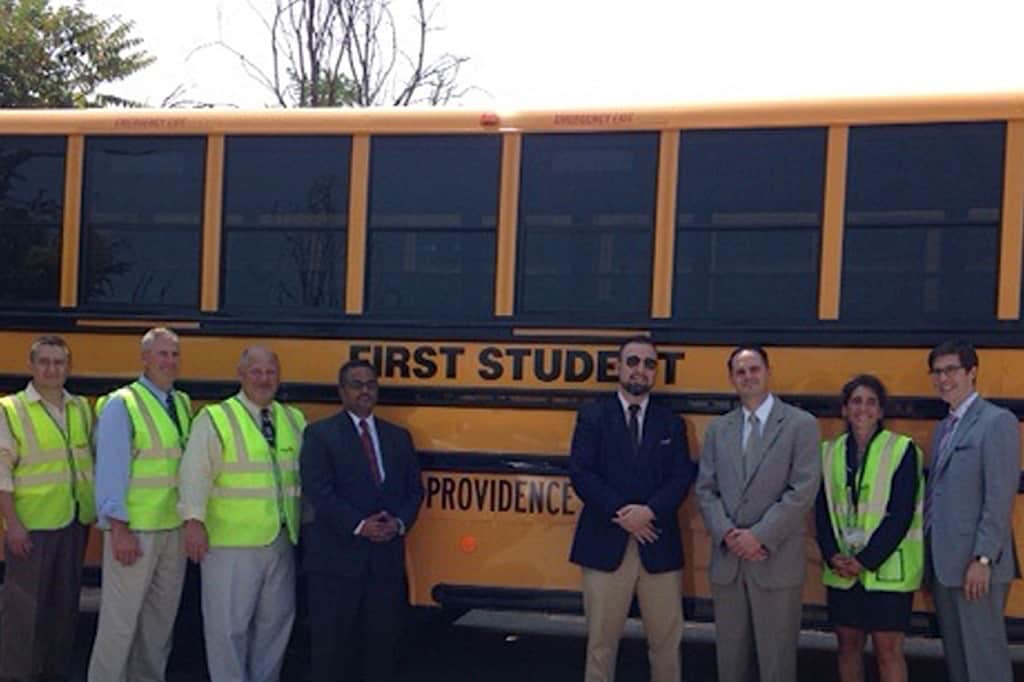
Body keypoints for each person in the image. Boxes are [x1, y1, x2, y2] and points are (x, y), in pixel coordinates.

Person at [568, 336, 697, 682]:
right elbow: (581, 473)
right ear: (618, 367)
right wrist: (625, 514)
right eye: (633, 361)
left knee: (666, 644)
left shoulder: (672, 422)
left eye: (649, 364)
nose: (640, 370)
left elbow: (682, 475)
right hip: (604, 542)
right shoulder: (593, 415)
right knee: (601, 645)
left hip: (659, 543)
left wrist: (648, 512)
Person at [695, 345, 821, 682]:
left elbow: (803, 490)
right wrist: (728, 535)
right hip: (728, 563)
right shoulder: (718, 430)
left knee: (776, 665)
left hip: (775, 561)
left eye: (754, 369)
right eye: (740, 372)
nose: (748, 377)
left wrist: (759, 536)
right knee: (730, 663)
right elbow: (706, 490)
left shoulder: (800, 425)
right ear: (732, 379)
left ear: (768, 372)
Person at [179, 346, 305, 682]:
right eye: (257, 372)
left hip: (280, 539)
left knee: (275, 624)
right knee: (227, 628)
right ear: (241, 375)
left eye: (271, 373)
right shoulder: (216, 418)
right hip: (229, 542)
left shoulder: (293, 419)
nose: (265, 379)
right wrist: (193, 522)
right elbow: (195, 473)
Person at [300, 359, 424, 682]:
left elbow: (414, 490)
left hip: (384, 563)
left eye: (371, 384)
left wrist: (397, 523)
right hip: (336, 562)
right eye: (357, 385)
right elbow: (319, 491)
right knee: (331, 654)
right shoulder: (320, 435)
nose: (365, 391)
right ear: (342, 391)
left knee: (381, 652)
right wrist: (359, 525)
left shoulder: (398, 437)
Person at [88, 327, 193, 682]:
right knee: (119, 625)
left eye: (175, 354)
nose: (170, 361)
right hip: (134, 531)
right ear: (144, 358)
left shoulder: (179, 403)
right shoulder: (123, 403)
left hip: (171, 529)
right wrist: (118, 529)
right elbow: (111, 469)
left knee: (158, 625)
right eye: (162, 354)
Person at [815, 375, 923, 682]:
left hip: (887, 571)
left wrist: (865, 560)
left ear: (881, 411)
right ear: (845, 410)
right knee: (847, 647)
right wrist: (832, 555)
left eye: (871, 402)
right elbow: (821, 511)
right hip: (842, 569)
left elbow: (900, 514)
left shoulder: (903, 450)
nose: (863, 408)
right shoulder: (828, 452)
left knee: (888, 650)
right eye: (856, 402)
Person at [0, 336, 94, 682]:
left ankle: (55, 673)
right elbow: (1, 473)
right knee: (25, 612)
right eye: (44, 362)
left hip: (72, 522)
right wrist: (12, 524)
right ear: (31, 365)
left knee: (63, 609)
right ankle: (16, 675)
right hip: (32, 526)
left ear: (68, 367)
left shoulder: (80, 408)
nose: (52, 369)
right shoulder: (11, 409)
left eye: (59, 362)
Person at [925, 339, 1018, 682]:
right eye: (937, 372)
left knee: (985, 663)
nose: (943, 379)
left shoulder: (996, 422)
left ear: (972, 372)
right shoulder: (943, 429)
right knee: (959, 662)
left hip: (976, 568)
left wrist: (983, 559)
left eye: (951, 370)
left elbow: (999, 497)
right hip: (945, 564)